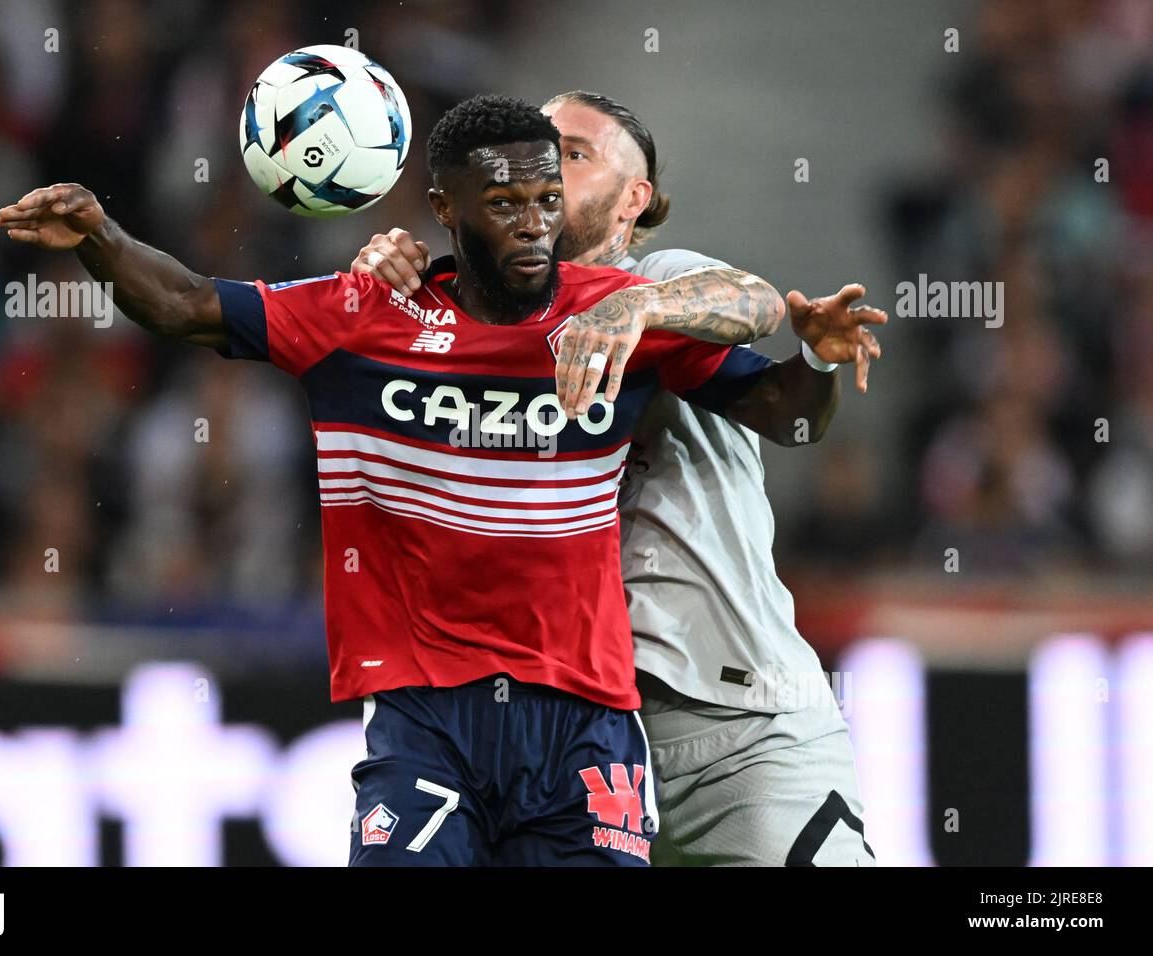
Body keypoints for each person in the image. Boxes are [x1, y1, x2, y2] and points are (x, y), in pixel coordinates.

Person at [350, 90, 885, 866]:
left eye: (573, 152)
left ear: (635, 199)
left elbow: (754, 317)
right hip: (556, 742)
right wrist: (383, 273)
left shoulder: (659, 278)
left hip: (736, 732)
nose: (544, 165)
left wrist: (644, 310)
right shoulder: (459, 317)